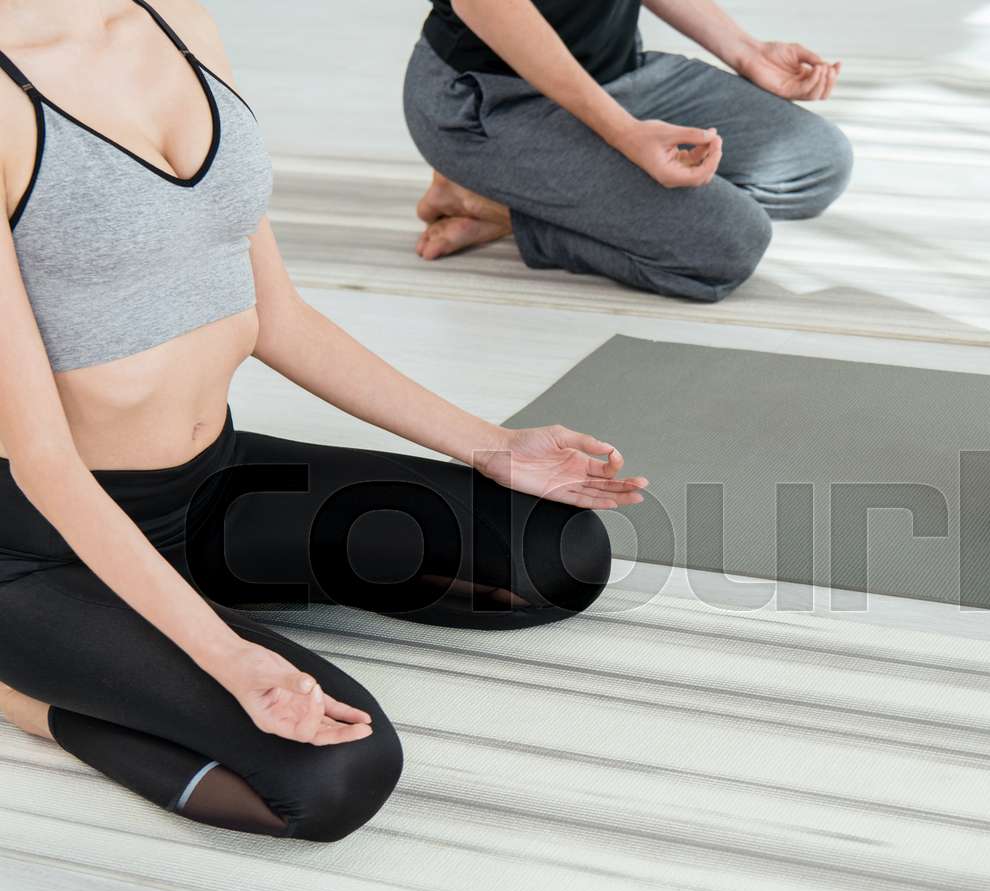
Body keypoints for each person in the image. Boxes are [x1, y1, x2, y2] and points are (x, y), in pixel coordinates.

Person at [0, 0, 646, 842]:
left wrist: (495, 445)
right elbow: (44, 460)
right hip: (41, 547)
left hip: (207, 490)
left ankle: (182, 606)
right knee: (334, 774)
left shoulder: (175, 19)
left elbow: (278, 316)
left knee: (554, 551)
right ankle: (23, 694)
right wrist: (229, 657)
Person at [402, 0, 855, 302]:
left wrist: (746, 51)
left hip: (618, 76)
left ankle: (528, 191)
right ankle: (495, 205)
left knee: (818, 162)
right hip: (491, 102)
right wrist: (624, 133)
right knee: (725, 244)